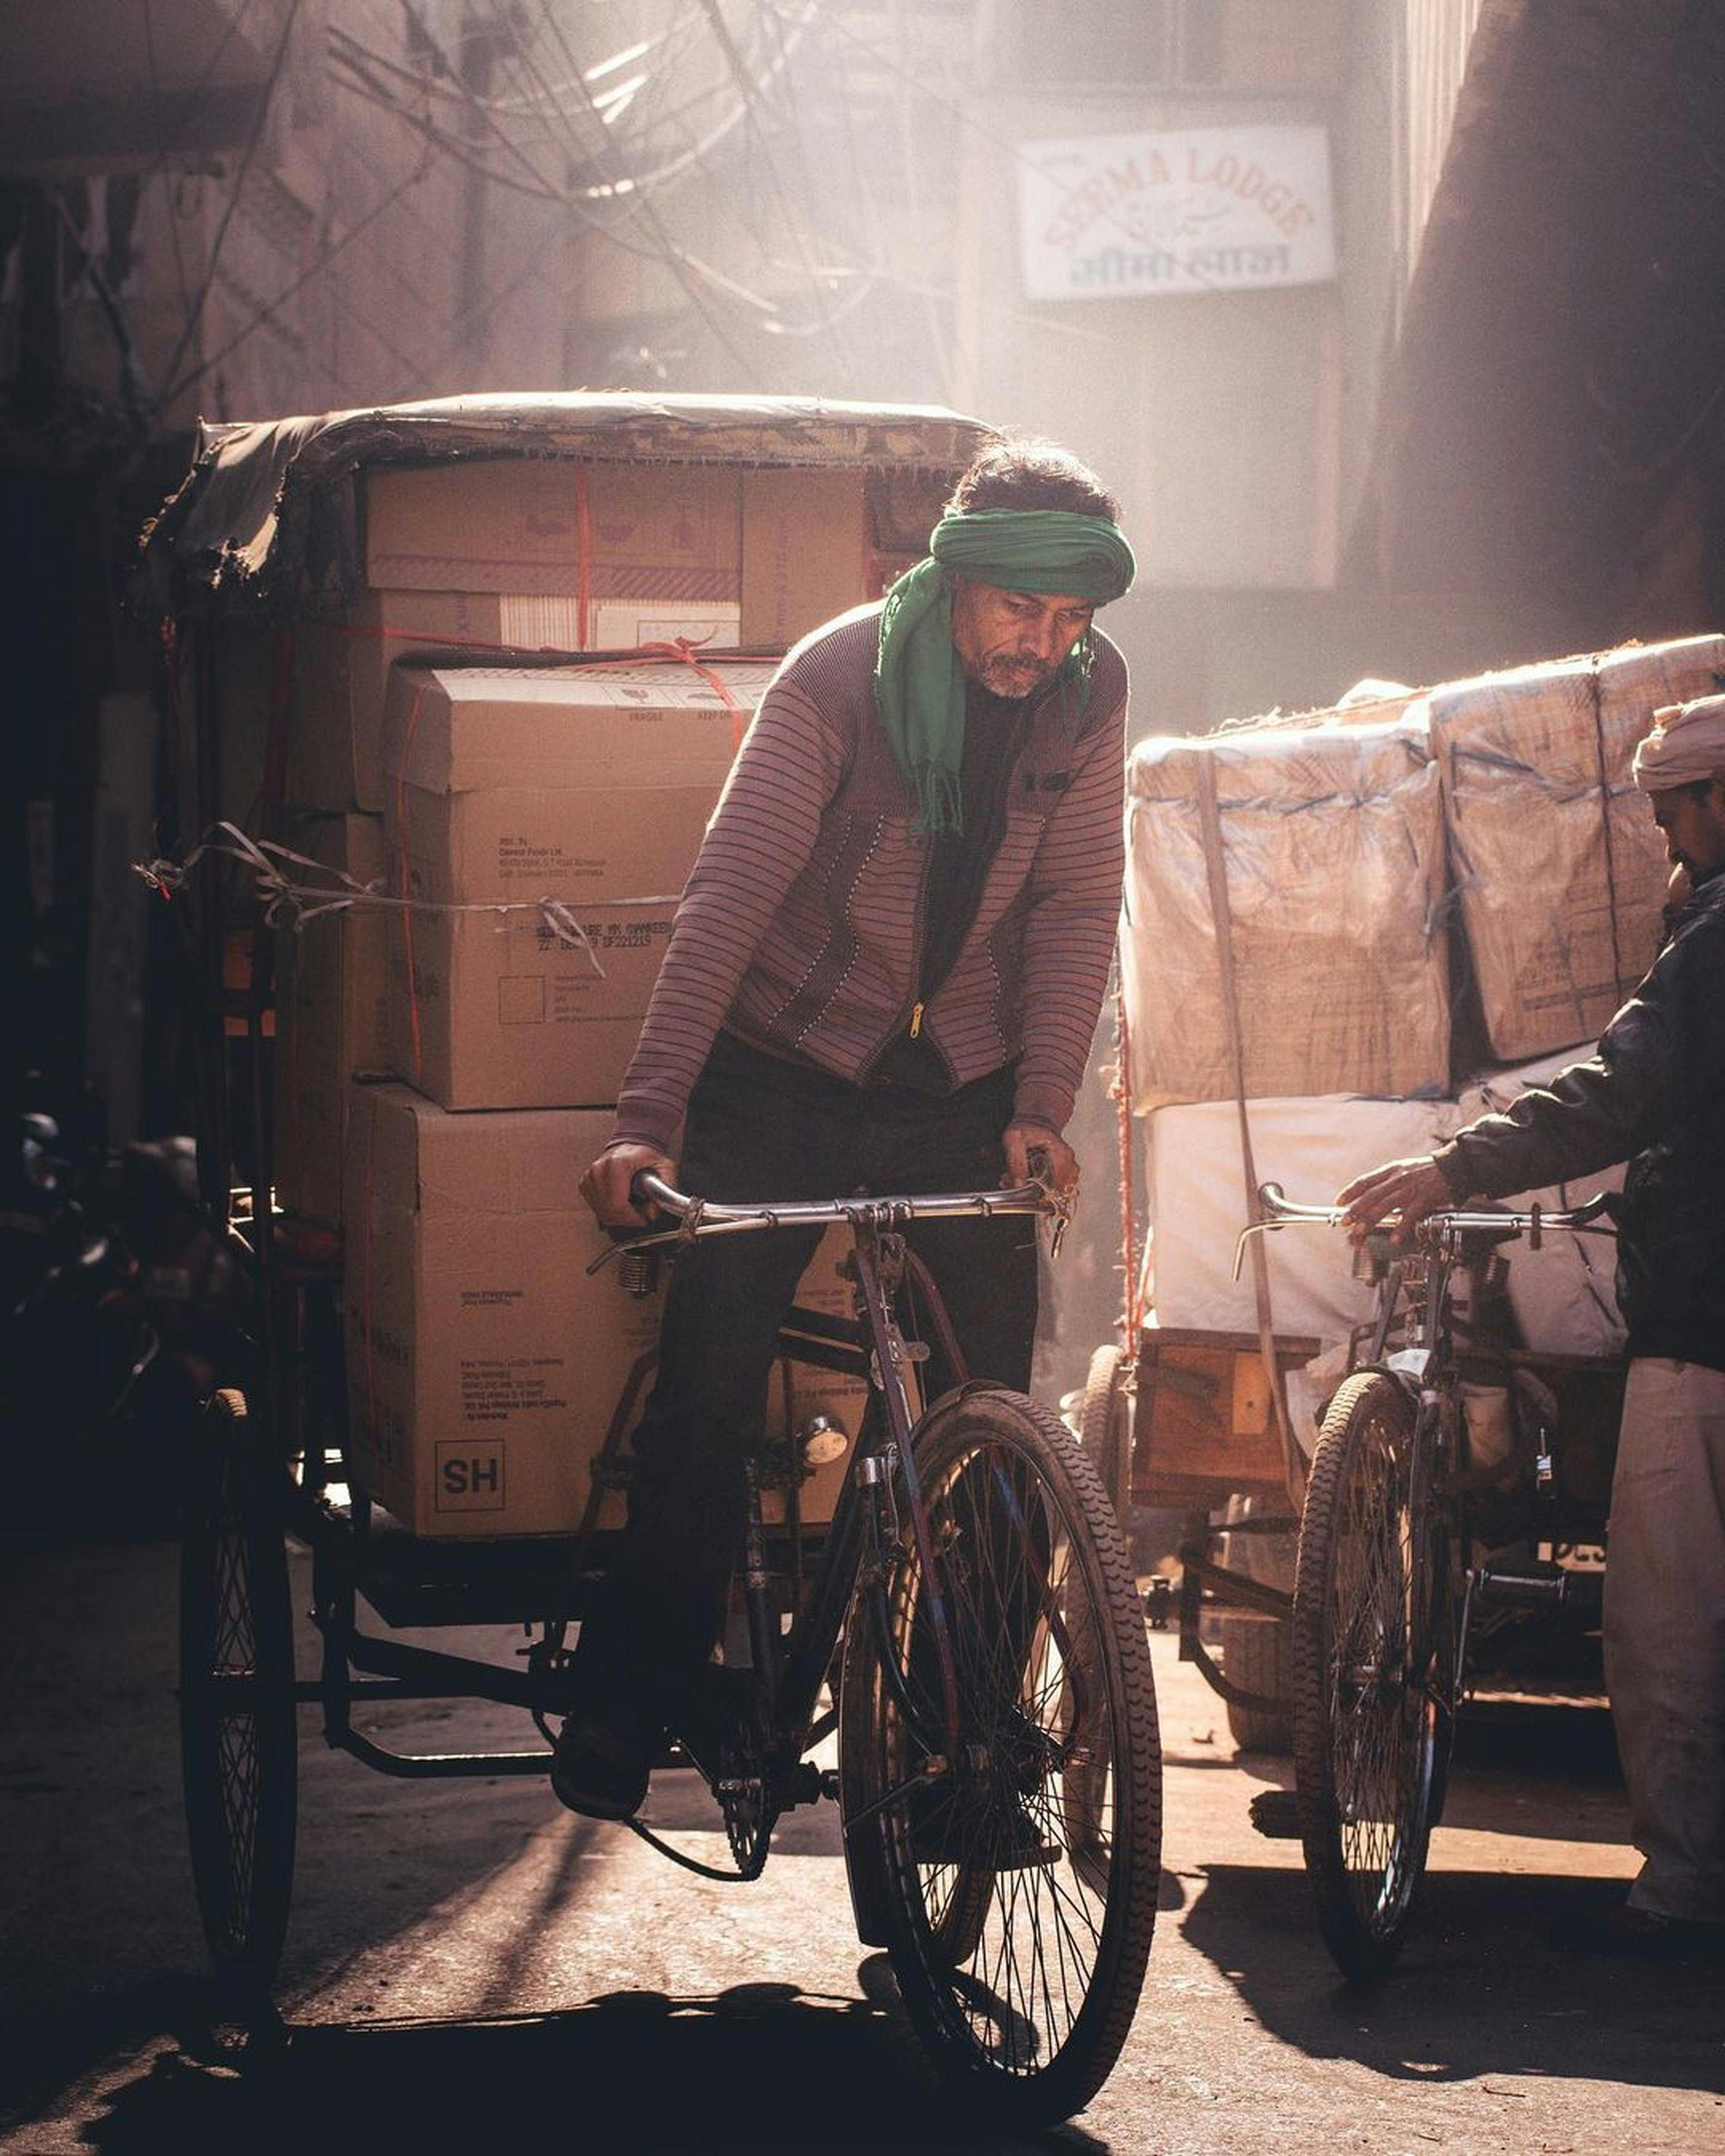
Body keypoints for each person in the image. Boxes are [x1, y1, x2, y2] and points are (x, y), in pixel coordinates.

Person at [552, 436, 1137, 1820]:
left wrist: (1041, 1108)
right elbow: (730, 897)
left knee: (990, 1406)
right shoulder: (836, 678)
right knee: (709, 1382)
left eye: (1070, 620)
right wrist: (648, 1120)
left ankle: (965, 1745)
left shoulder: (1089, 695)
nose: (1044, 645)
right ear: (956, 579)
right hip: (783, 1071)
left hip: (963, 1088)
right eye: (1021, 610)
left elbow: (1076, 906)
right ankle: (630, 1695)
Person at [1337, 690, 1725, 1952]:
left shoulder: (1715, 942)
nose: (1666, 841)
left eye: (1678, 814)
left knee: (1669, 1618)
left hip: (1704, 1329)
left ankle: (1685, 1887)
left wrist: (1454, 1167)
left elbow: (1621, 1090)